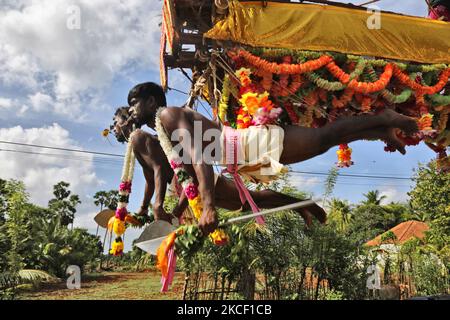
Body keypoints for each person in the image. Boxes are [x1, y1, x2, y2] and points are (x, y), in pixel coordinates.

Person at [128, 82, 419, 235]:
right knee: (244, 203)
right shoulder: (162, 132)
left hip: (247, 145)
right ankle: (381, 130)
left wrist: (207, 208)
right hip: (240, 160)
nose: (131, 111)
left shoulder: (167, 115)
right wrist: (177, 214)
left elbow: (200, 157)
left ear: (152, 101)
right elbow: (191, 173)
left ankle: (383, 119)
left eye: (133, 104)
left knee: (321, 140)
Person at [112, 106, 327, 227]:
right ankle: (300, 206)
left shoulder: (138, 137)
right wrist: (141, 210)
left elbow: (159, 170)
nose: (114, 128)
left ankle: (302, 205)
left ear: (127, 119)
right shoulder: (135, 143)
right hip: (185, 185)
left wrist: (158, 206)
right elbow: (150, 178)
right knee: (245, 204)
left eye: (116, 122)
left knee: (251, 200)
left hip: (194, 179)